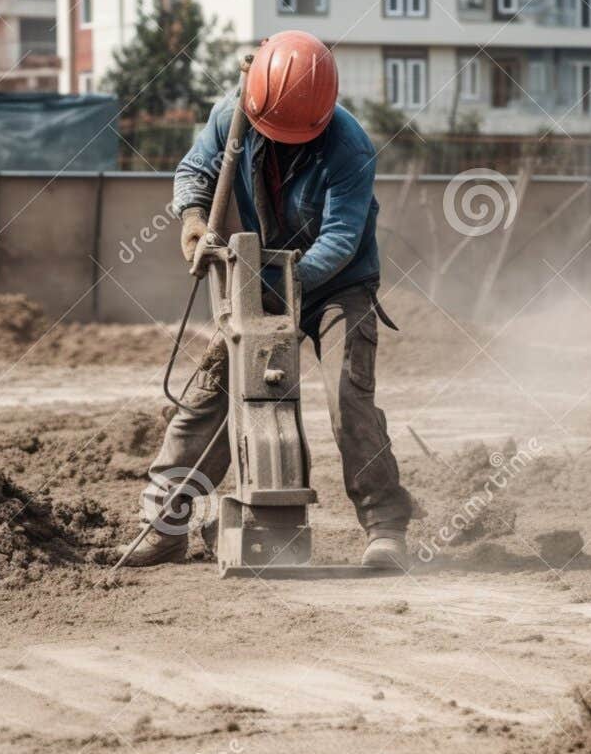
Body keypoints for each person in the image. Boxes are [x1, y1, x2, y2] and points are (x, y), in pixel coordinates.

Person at [115, 30, 414, 569]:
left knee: (348, 398)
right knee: (210, 396)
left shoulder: (350, 146)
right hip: (256, 274)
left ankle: (385, 527)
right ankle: (164, 526)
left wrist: (273, 287)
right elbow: (195, 170)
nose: (284, 142)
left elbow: (340, 240)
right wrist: (193, 220)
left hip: (337, 286)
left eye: (297, 136)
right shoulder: (233, 114)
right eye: (274, 131)